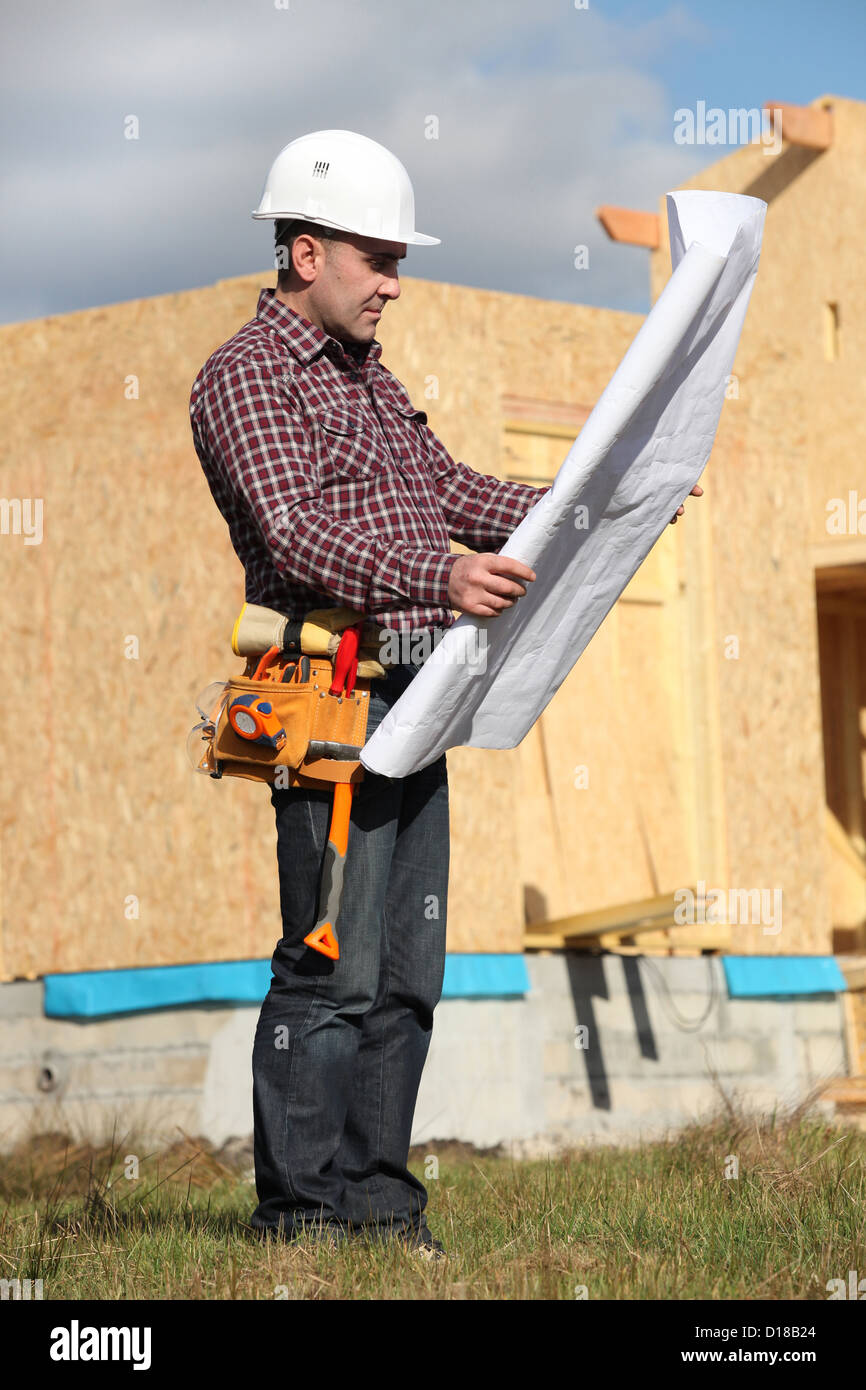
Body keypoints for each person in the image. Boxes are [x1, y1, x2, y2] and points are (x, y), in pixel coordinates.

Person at [189, 129, 700, 1258]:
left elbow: (452, 486)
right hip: (331, 709)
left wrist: (597, 503)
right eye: (375, 257)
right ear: (305, 251)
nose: (393, 281)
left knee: (406, 976)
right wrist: (441, 574)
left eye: (397, 259)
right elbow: (296, 533)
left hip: (417, 701)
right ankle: (300, 1218)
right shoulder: (244, 376)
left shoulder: (372, 380)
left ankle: (376, 1205)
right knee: (330, 964)